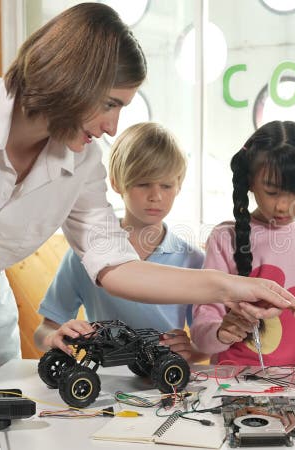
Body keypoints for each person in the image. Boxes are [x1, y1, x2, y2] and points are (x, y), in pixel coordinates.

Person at [0, 4, 293, 450]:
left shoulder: (82, 160)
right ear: (71, 80)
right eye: (110, 104)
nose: (113, 127)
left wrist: (231, 286)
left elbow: (116, 265)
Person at [33, 122, 207, 362]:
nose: (155, 196)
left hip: (163, 382)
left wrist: (193, 351)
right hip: (103, 384)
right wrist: (55, 337)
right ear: (116, 182)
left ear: (178, 185)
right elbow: (44, 330)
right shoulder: (86, 253)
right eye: (143, 183)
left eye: (166, 185)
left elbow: (207, 342)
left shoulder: (193, 260)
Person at [190, 120, 295, 367]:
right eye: (272, 192)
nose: (283, 205)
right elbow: (201, 337)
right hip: (238, 383)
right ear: (250, 181)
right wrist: (220, 332)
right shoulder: (225, 239)